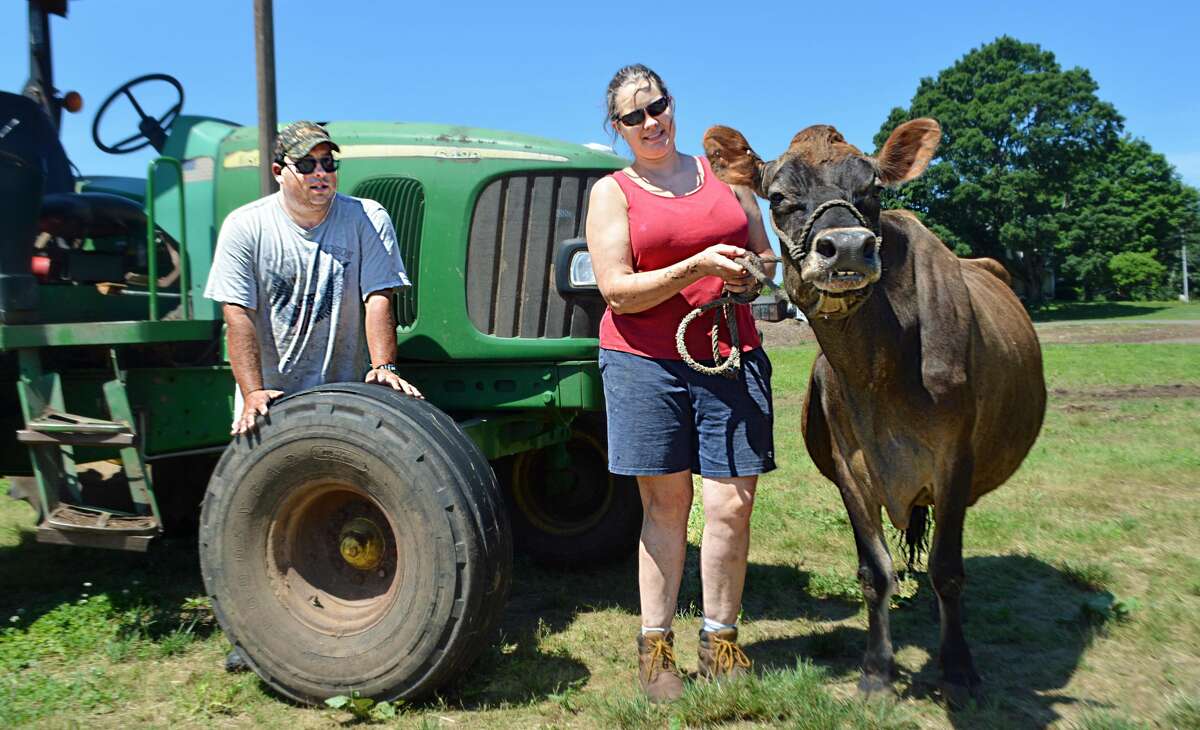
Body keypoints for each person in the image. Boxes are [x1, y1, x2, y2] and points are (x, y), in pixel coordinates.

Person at [585, 64, 776, 702]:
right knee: (666, 507)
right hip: (645, 362)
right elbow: (615, 290)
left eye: (657, 106)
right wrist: (693, 264)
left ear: (672, 104)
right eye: (633, 117)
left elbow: (766, 255)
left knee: (732, 505)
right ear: (618, 129)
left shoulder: (722, 176)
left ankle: (721, 642)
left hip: (730, 352)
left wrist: (751, 274)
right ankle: (656, 648)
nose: (650, 123)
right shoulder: (613, 192)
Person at [205, 120, 422, 439]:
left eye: (328, 163)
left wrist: (383, 367)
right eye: (307, 164)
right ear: (278, 172)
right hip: (273, 404)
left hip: (345, 398)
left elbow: (378, 296)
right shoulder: (245, 227)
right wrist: (253, 393)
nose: (320, 172)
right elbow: (238, 315)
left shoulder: (367, 218)